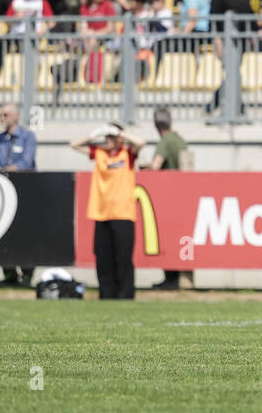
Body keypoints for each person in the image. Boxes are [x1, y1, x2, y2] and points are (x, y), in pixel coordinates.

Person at [71, 122, 146, 300]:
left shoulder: (127, 154)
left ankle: (125, 295)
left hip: (123, 213)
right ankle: (106, 295)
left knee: (123, 258)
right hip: (101, 212)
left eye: (111, 137)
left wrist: (121, 134)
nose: (108, 140)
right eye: (107, 137)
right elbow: (74, 145)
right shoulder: (100, 153)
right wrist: (93, 135)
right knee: (103, 257)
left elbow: (141, 143)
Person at [0, 103, 38, 287]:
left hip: (25, 192)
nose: (2, 118)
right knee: (3, 231)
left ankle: (26, 275)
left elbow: (26, 163)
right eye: (0, 114)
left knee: (26, 233)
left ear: (16, 116)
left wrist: (5, 170)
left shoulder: (27, 137)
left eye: (5, 114)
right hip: (4, 192)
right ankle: (9, 274)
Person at [148, 107, 191, 291]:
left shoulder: (165, 142)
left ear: (156, 124)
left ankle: (171, 278)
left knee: (165, 238)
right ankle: (180, 278)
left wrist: (145, 167)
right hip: (183, 196)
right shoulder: (180, 140)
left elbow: (156, 166)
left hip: (168, 197)